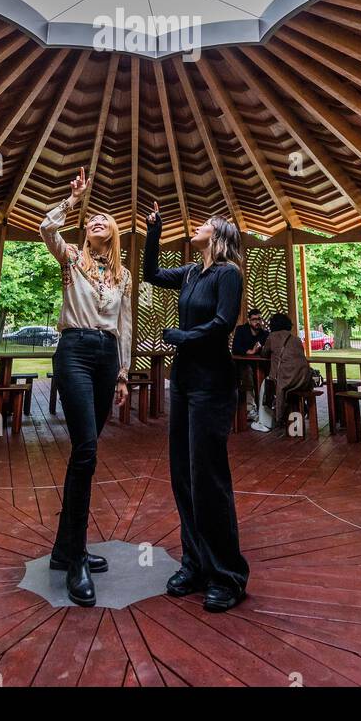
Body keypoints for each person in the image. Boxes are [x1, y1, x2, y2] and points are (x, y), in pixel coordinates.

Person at [143, 201, 249, 612]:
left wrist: (181, 337)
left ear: (219, 236)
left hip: (212, 383)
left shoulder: (228, 274)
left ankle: (228, 575)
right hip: (184, 382)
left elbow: (223, 323)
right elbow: (151, 274)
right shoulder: (190, 272)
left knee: (208, 477)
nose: (197, 227)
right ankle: (195, 565)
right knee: (183, 476)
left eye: (205, 224)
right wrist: (155, 231)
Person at [40, 167, 131, 607]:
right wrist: (71, 200)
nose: (97, 221)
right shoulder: (72, 257)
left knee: (86, 451)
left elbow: (125, 326)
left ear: (112, 233)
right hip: (74, 350)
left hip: (106, 356)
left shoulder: (123, 275)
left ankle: (64, 549)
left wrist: (124, 373)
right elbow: (45, 226)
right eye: (91, 218)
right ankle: (75, 556)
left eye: (104, 220)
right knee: (87, 452)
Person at [253, 315, 315, 433]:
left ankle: (266, 423)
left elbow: (264, 354)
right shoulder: (295, 338)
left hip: (287, 379)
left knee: (265, 387)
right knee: (286, 390)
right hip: (304, 378)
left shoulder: (272, 337)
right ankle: (294, 424)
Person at [231, 307, 269, 421]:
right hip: (242, 365)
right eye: (254, 319)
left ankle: (266, 409)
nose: (257, 322)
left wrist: (260, 350)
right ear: (249, 320)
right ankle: (250, 409)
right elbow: (235, 349)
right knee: (247, 373)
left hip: (260, 365)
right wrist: (251, 351)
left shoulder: (265, 333)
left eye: (260, 319)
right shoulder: (241, 330)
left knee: (268, 376)